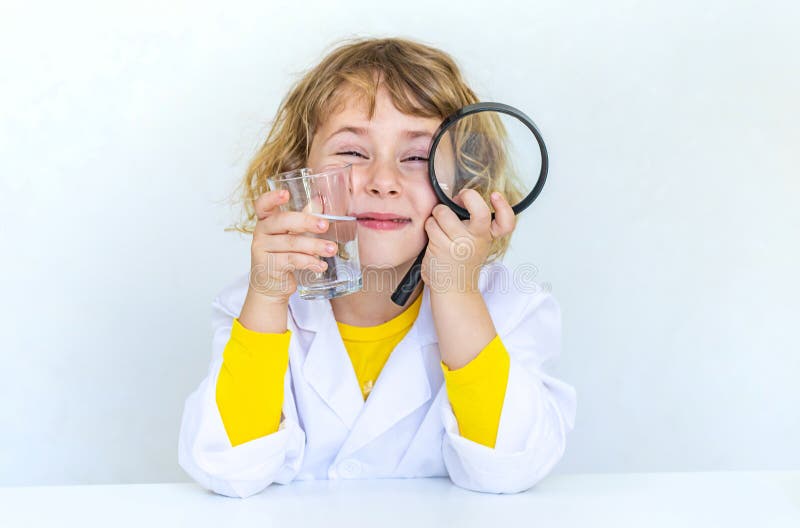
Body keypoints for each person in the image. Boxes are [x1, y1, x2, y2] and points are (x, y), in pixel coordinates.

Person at [178, 37, 576, 498]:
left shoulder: (509, 307)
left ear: (468, 184)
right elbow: (230, 469)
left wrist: (456, 292)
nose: (383, 181)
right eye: (352, 153)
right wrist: (266, 299)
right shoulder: (255, 309)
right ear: (297, 174)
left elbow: (511, 467)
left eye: (417, 158)